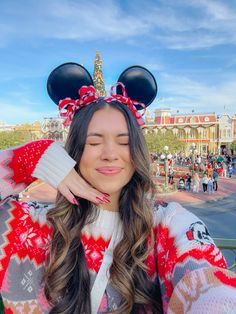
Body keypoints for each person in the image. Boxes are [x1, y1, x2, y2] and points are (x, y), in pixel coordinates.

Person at [0, 63, 236, 314]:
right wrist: (32, 158)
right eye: (94, 141)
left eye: (123, 142)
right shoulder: (32, 225)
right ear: (76, 150)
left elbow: (208, 287)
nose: (110, 154)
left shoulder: (167, 226)